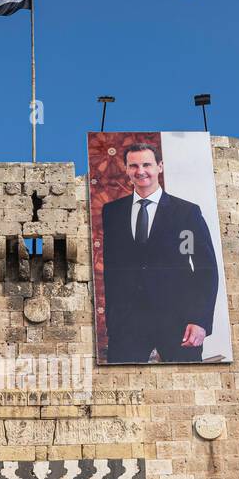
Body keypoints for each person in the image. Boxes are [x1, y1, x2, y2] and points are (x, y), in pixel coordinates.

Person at [99, 142, 219, 364]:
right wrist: (113, 319)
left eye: (147, 164)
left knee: (187, 391)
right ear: (126, 169)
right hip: (127, 325)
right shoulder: (112, 213)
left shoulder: (185, 213)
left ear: (159, 167)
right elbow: (111, 269)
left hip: (179, 322)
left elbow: (204, 268)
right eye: (134, 165)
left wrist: (200, 320)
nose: (140, 171)